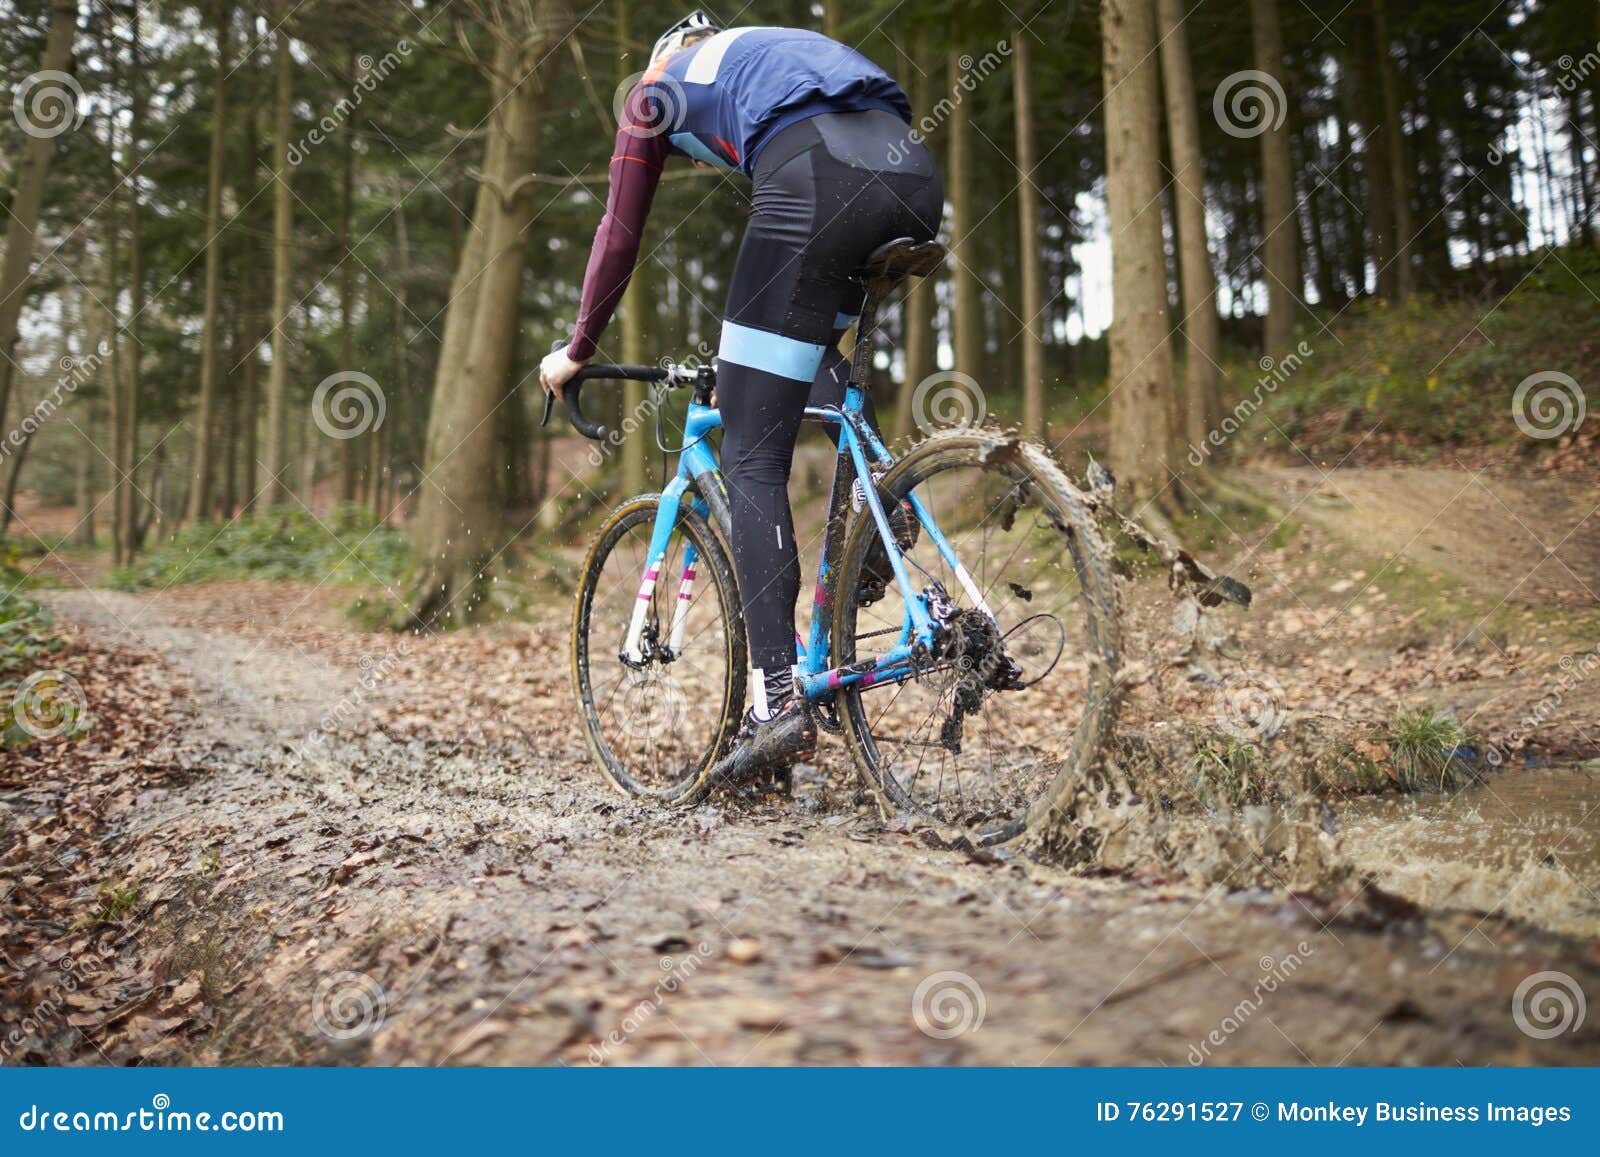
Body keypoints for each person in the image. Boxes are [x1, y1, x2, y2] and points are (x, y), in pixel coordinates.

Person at [540, 13, 943, 786]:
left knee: (753, 459)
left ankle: (775, 704)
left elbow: (619, 230)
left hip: (815, 173)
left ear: (665, 56)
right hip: (913, 175)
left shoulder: (653, 92)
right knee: (799, 370)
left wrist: (578, 348)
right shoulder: (763, 56)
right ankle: (878, 506)